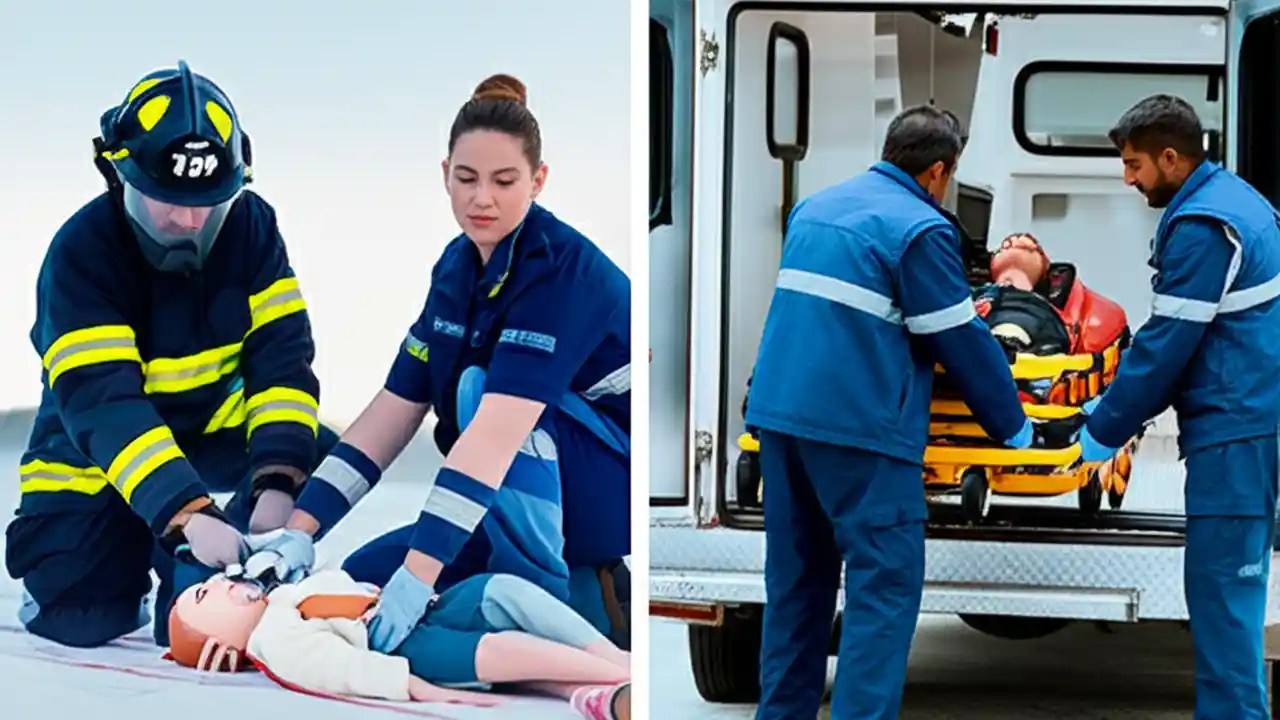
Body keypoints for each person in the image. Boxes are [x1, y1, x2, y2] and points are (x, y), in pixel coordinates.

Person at [239, 73, 632, 652]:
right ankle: (523, 585)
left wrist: (419, 579)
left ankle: (548, 599)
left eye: (505, 181)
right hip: (507, 490)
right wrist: (299, 533)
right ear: (444, 173)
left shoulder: (561, 270)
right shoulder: (455, 269)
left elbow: (494, 436)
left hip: (602, 486)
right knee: (362, 575)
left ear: (538, 181)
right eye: (467, 178)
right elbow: (390, 416)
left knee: (478, 391)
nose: (482, 198)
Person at [3, 60, 338, 650]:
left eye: (210, 201)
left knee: (318, 454)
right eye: (166, 200)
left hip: (209, 436)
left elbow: (282, 364)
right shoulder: (80, 255)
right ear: (121, 177)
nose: (187, 219)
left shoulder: (254, 229)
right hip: (98, 461)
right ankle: (132, 554)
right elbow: (106, 407)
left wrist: (276, 482)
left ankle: (213, 573)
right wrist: (186, 512)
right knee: (83, 619)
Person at [742, 105, 1043, 720]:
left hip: (780, 420)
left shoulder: (816, 208)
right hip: (860, 432)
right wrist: (1014, 428)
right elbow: (957, 339)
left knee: (797, 588)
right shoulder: (921, 231)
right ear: (938, 172)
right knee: (884, 589)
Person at [1077, 94, 1280, 718]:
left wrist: (1103, 429)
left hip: (1234, 428)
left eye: (1135, 164)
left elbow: (1167, 347)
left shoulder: (1202, 228)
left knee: (1222, 599)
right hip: (1247, 418)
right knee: (1228, 600)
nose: (1128, 177)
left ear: (1171, 157)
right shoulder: (1238, 201)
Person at [164, 562, 631, 719]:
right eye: (205, 595)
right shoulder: (274, 640)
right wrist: (420, 688)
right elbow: (341, 669)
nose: (222, 581)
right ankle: (618, 676)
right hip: (397, 648)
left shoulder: (284, 596)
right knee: (503, 650)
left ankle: (610, 663)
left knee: (502, 589)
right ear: (217, 643)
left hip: (414, 610)